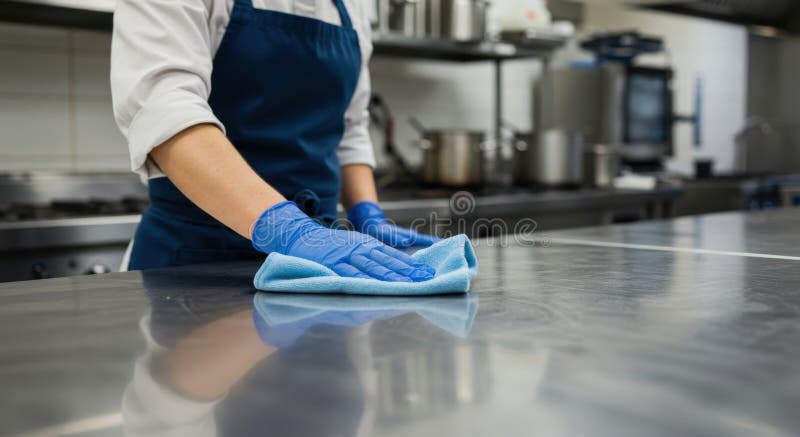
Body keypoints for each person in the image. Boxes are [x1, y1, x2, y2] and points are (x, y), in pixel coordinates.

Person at [111, 0, 438, 281]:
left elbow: (349, 127)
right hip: (194, 261)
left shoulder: (353, 6)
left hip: (318, 269)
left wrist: (368, 215)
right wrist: (289, 230)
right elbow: (165, 110)